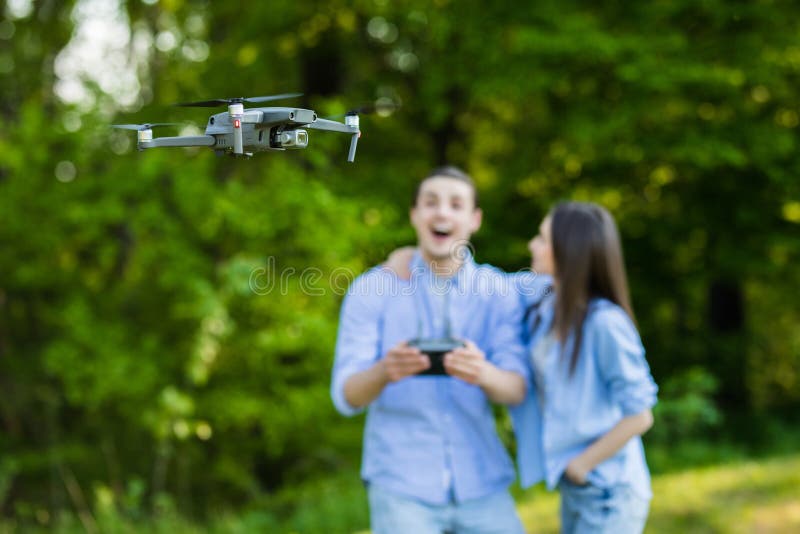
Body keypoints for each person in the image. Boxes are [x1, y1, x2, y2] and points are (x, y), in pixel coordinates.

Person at [331, 166, 529, 534]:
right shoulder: (371, 289)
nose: (442, 213)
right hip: (399, 484)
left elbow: (517, 388)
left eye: (456, 204)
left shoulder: (499, 291)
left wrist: (482, 372)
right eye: (431, 203)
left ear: (475, 219)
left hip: (482, 480)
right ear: (415, 215)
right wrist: (386, 370)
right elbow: (346, 396)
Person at [512, 201, 658, 533]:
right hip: (577, 486)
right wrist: (409, 260)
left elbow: (640, 415)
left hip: (609, 489)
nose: (531, 245)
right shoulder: (546, 304)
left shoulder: (605, 323)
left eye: (541, 238)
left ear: (567, 251)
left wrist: (581, 464)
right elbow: (485, 284)